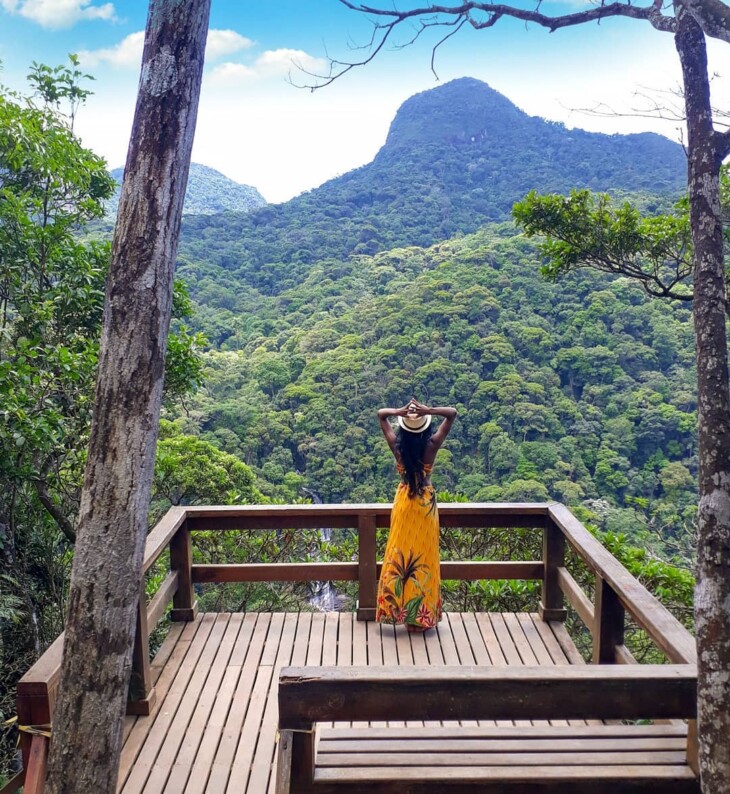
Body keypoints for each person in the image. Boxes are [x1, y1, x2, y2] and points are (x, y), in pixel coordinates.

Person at [375, 398, 457, 632]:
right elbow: (452, 413)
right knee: (424, 558)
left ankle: (394, 611)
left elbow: (381, 415)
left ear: (402, 427)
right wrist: (428, 410)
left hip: (404, 504)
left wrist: (398, 411)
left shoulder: (397, 448)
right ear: (426, 427)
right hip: (424, 505)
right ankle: (419, 619)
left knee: (398, 554)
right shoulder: (431, 446)